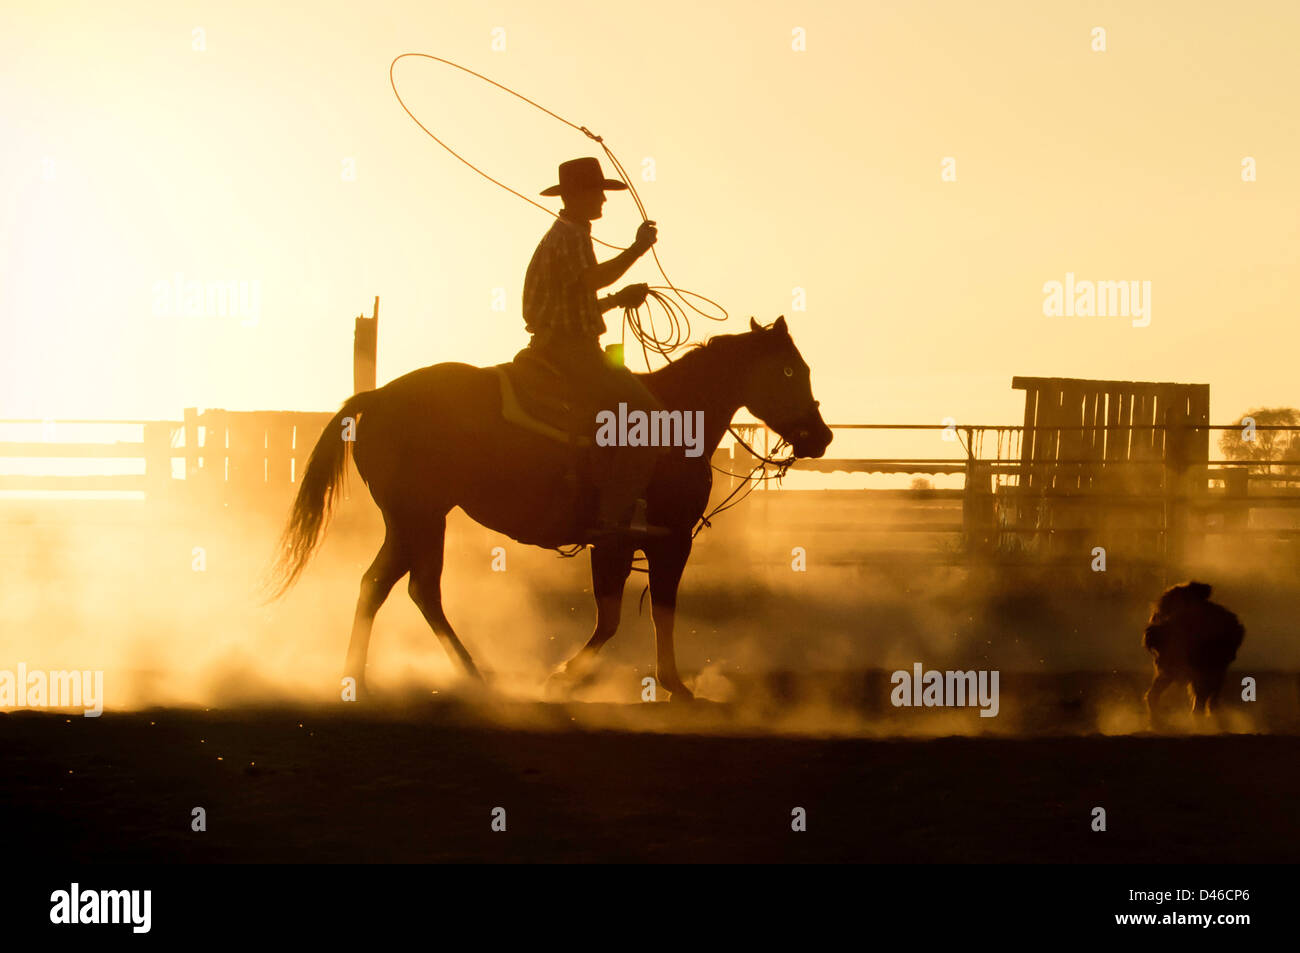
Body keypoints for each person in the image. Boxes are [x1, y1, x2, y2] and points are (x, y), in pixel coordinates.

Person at [521, 156, 668, 541]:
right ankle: (612, 516)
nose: (604, 201)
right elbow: (590, 282)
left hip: (560, 342)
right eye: (598, 194)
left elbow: (573, 301)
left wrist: (618, 299)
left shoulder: (566, 232)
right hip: (571, 350)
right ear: (580, 196)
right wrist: (637, 249)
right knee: (649, 416)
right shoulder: (570, 235)